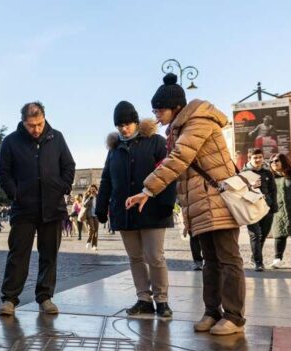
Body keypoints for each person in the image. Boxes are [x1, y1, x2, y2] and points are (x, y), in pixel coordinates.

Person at [126, 73, 247, 336]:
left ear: (176, 108)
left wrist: (148, 189)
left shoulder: (199, 122)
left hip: (218, 200)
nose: (156, 115)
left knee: (228, 259)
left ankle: (234, 317)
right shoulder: (179, 130)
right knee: (210, 261)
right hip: (200, 203)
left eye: (159, 110)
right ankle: (212, 312)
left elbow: (179, 158)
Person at [96, 101, 176, 318]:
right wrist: (101, 207)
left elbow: (169, 173)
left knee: (155, 257)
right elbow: (106, 181)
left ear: (136, 121)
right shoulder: (113, 150)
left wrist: (167, 204)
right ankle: (143, 299)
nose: (124, 128)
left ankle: (162, 300)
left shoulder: (156, 142)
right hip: (124, 212)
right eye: (120, 125)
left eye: (128, 123)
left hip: (153, 210)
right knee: (135, 258)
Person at [0, 102, 76, 317]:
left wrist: (63, 187)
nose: (37, 129)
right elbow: (3, 173)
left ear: (44, 118)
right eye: (31, 125)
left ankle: (45, 297)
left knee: (49, 254)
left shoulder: (56, 138)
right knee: (18, 254)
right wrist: (16, 194)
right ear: (23, 122)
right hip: (23, 208)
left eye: (39, 124)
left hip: (53, 207)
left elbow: (69, 166)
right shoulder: (11, 142)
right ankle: (9, 299)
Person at [244, 148, 278, 271]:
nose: (258, 160)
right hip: (251, 208)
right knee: (255, 235)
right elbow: (237, 191)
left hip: (266, 208)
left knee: (263, 235)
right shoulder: (243, 173)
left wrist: (273, 206)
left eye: (260, 157)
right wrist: (250, 186)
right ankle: (258, 262)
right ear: (250, 159)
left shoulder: (268, 173)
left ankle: (254, 257)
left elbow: (273, 190)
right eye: (255, 157)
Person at [82, 184, 99, 250]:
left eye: (94, 189)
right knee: (92, 229)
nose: (93, 190)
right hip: (89, 215)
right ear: (89, 189)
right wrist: (90, 198)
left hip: (96, 215)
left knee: (96, 231)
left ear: (96, 189)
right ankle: (88, 241)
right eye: (91, 189)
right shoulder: (86, 195)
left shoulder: (97, 196)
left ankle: (94, 245)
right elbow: (84, 204)